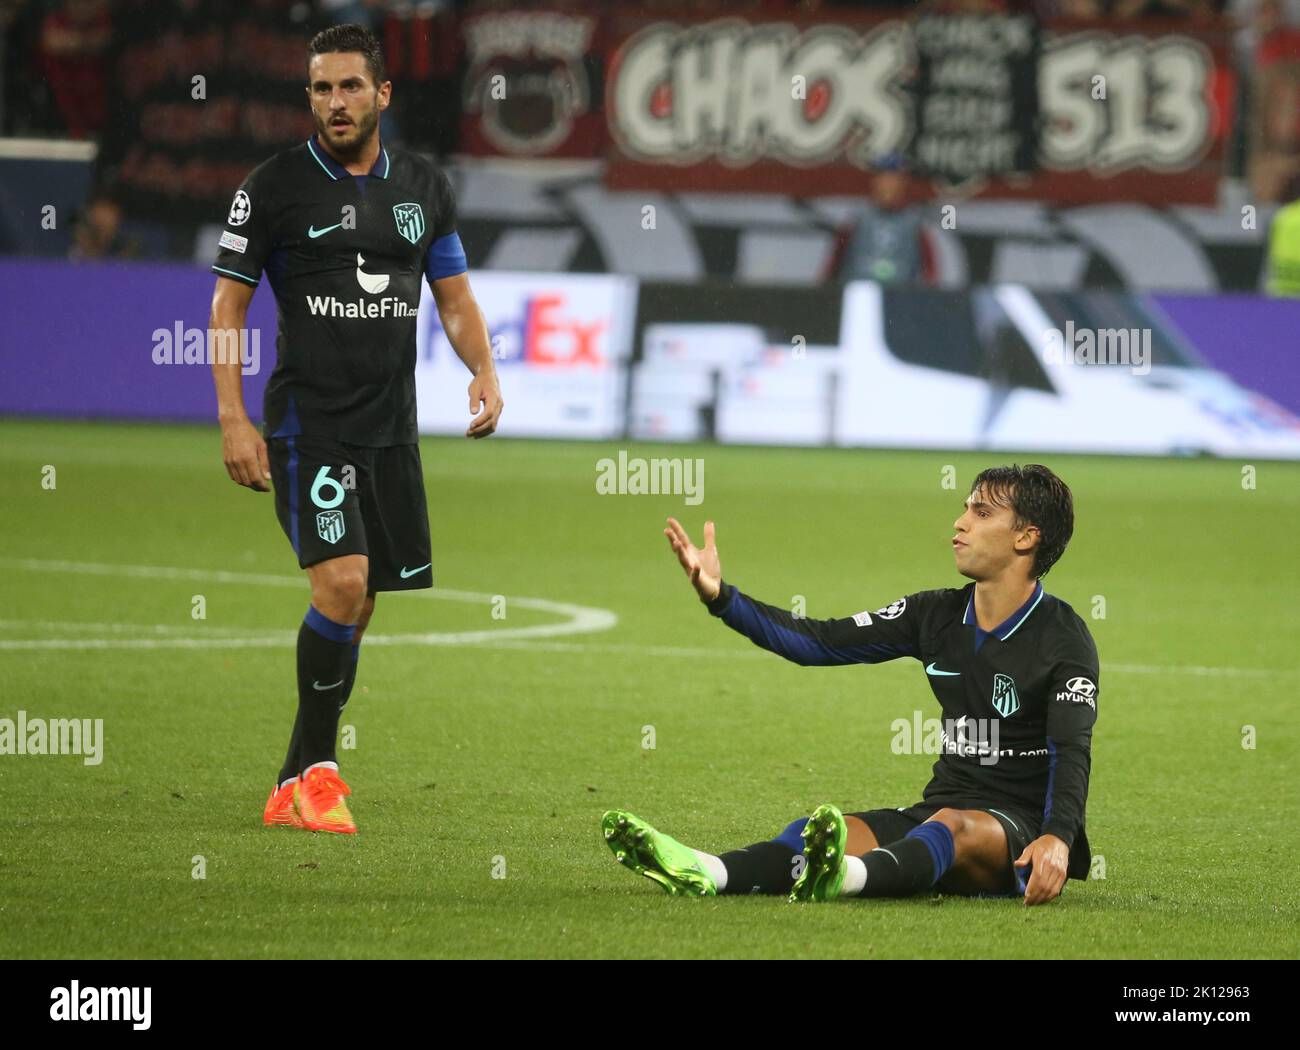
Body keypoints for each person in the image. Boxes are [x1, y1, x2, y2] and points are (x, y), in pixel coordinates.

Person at [208, 23, 503, 834]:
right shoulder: (272, 188)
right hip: (310, 425)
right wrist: (234, 419)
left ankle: (289, 778)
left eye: (348, 87)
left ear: (382, 94)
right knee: (339, 585)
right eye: (319, 89)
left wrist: (483, 368)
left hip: (390, 432)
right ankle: (322, 775)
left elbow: (454, 296)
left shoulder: (424, 186)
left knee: (362, 602)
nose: (334, 103)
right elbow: (229, 306)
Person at [604, 464, 1098, 906]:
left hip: (1020, 831)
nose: (960, 522)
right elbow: (821, 642)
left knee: (953, 827)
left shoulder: (1064, 639)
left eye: (982, 512)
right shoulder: (935, 614)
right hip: (938, 810)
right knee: (824, 832)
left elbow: (1070, 750)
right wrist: (721, 597)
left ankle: (844, 879)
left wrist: (1058, 837)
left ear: (1026, 537)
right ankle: (709, 870)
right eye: (965, 507)